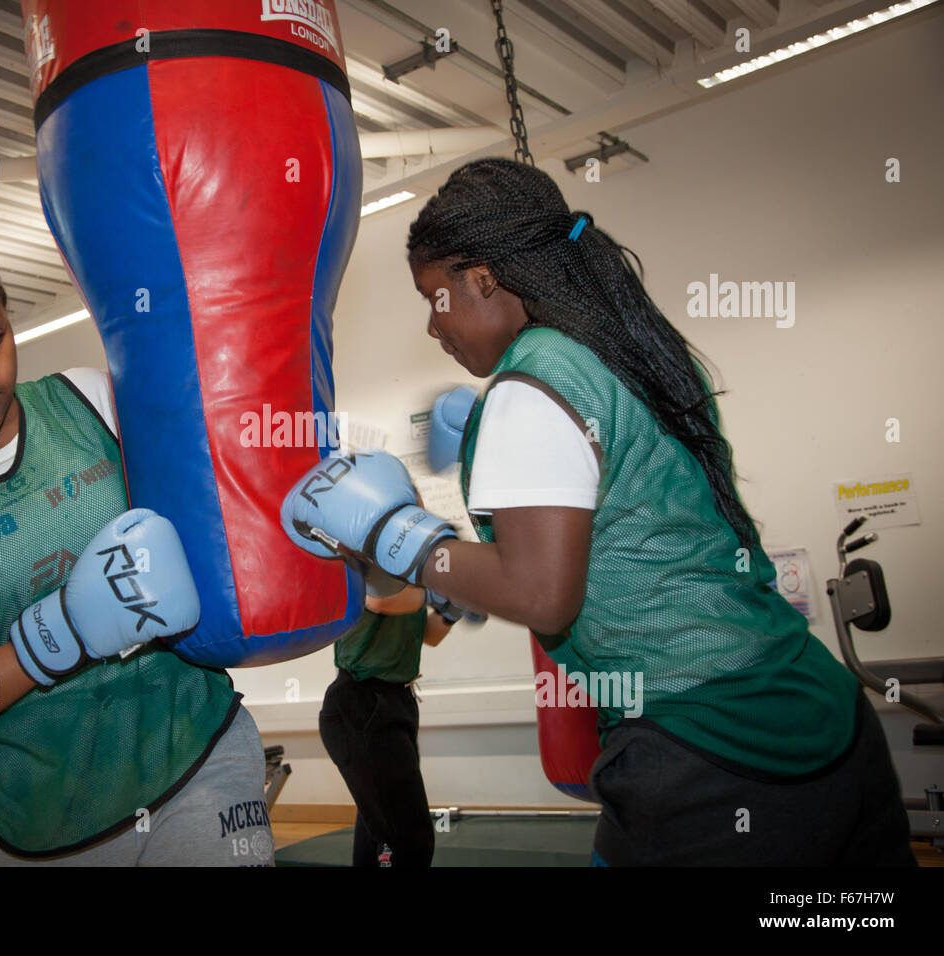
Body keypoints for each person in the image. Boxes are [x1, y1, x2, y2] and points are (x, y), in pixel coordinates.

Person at [283, 158, 916, 866]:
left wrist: (386, 531)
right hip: (819, 712)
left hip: (706, 747)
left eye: (435, 297)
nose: (434, 328)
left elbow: (541, 595)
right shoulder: (621, 354)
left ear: (483, 278)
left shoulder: (532, 383)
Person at [0, 234, 273, 866]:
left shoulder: (87, 402)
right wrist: (56, 636)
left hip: (197, 755)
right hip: (40, 823)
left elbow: (215, 505)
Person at [319, 586, 456, 867]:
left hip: (397, 703)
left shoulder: (412, 576)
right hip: (362, 704)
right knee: (408, 838)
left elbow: (428, 636)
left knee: (379, 833)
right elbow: (378, 601)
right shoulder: (373, 552)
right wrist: (437, 590)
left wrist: (454, 611)